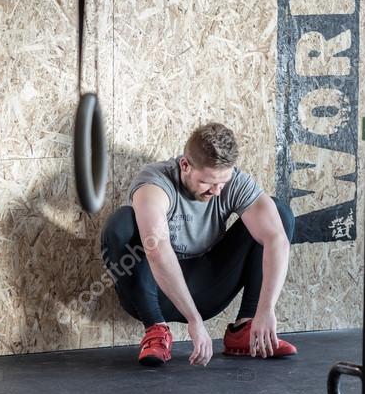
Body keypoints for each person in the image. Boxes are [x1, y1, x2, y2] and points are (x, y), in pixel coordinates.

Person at [100, 123, 298, 367]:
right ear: (185, 165)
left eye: (222, 182)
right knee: (121, 223)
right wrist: (194, 320)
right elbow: (157, 249)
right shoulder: (155, 182)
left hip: (208, 286)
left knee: (279, 214)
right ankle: (156, 330)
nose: (216, 191)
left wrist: (266, 309)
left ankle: (245, 330)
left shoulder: (233, 182)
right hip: (154, 291)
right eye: (207, 182)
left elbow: (276, 239)